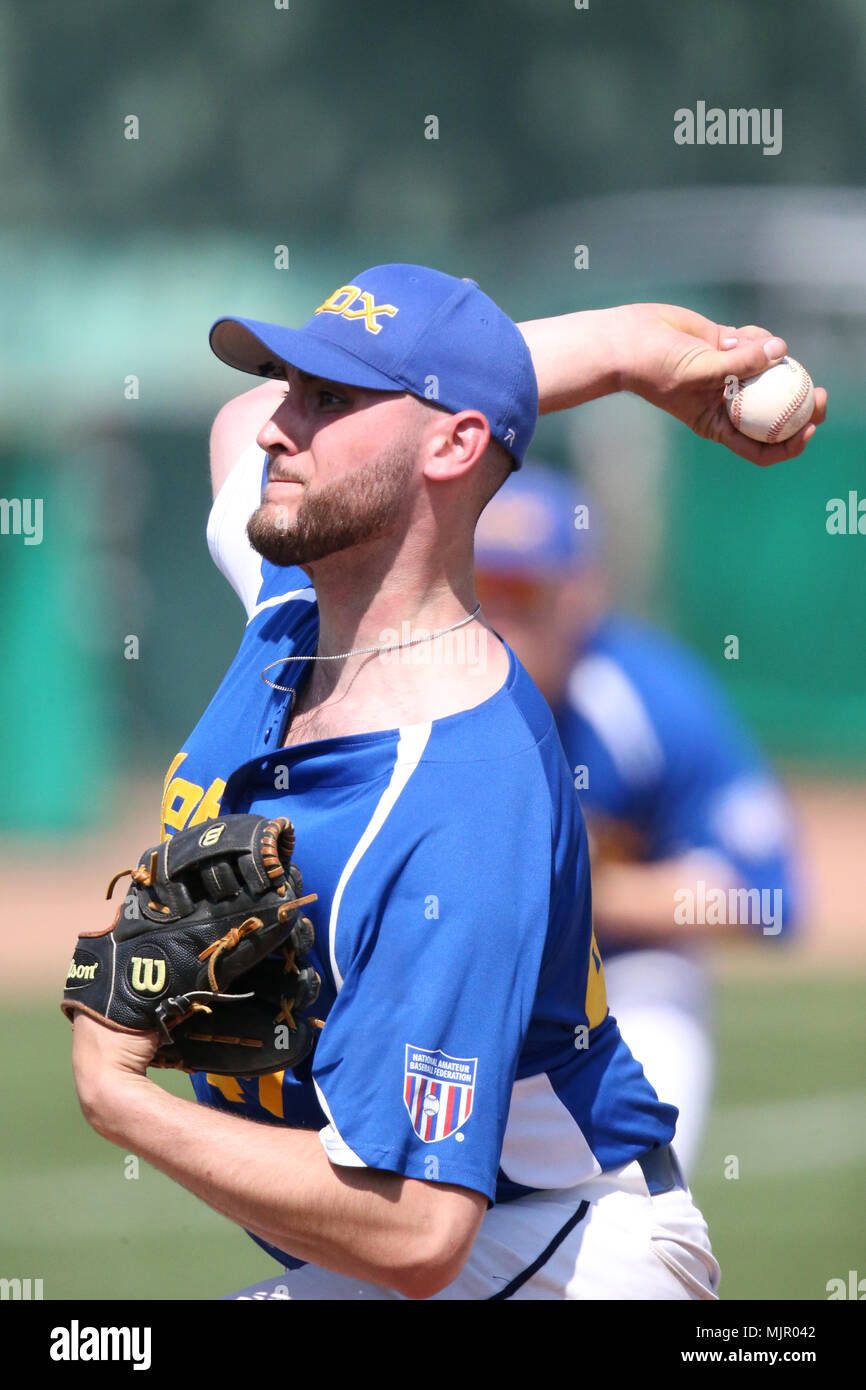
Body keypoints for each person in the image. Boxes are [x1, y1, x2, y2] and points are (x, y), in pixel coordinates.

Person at [69, 264, 824, 1300]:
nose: (276, 427)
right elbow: (242, 419)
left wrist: (119, 1100)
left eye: (327, 397)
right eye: (293, 386)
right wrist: (618, 350)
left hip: (550, 1254)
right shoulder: (295, 612)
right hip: (462, 1245)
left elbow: (417, 1231)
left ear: (455, 445)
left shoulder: (462, 800)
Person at [472, 463, 800, 1175]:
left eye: (523, 590)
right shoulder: (419, 694)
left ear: (581, 595)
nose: (498, 614)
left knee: (625, 1195)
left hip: (626, 983)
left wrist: (582, 891)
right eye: (479, 588)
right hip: (474, 979)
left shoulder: (649, 698)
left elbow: (769, 898)